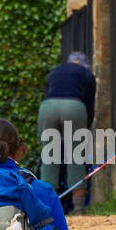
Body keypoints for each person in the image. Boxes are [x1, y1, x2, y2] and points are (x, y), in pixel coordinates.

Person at [38, 52, 97, 214]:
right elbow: (89, 105)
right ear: (84, 64)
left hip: (48, 107)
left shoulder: (55, 71)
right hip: (74, 107)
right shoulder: (87, 75)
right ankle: (78, 207)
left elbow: (48, 93)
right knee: (76, 156)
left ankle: (47, 208)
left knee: (49, 156)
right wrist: (85, 128)